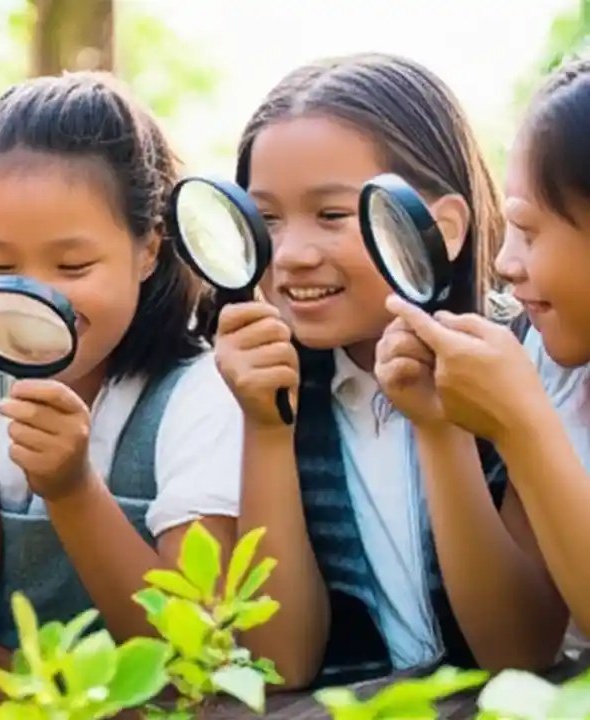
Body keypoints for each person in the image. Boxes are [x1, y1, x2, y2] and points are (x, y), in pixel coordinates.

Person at [217, 52, 566, 690]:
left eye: (331, 216)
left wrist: (441, 429)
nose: (291, 255)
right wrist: (266, 428)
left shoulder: (532, 356)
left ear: (443, 228)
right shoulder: (263, 375)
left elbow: (520, 650)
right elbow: (279, 664)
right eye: (266, 219)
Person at [0, 72, 245, 715]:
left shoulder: (201, 395)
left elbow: (193, 659)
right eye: (0, 266)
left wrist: (71, 489)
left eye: (72, 267)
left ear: (148, 248)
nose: (35, 297)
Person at [385, 56, 590, 643]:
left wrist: (523, 425)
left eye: (527, 230)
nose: (504, 263)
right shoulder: (558, 368)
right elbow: (517, 645)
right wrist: (439, 426)